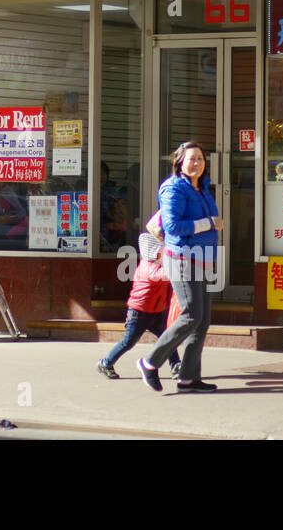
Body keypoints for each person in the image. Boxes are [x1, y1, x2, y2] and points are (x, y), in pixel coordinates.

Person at [137, 141, 223, 394]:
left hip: (203, 259)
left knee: (202, 320)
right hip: (182, 259)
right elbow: (173, 226)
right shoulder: (173, 188)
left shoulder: (202, 188)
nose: (196, 162)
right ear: (180, 162)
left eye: (200, 158)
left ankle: (188, 378)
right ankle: (150, 361)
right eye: (191, 158)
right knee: (191, 315)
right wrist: (208, 223)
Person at [96, 223, 181, 380]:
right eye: (163, 251)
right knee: (128, 342)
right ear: (156, 254)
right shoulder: (151, 269)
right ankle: (106, 362)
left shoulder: (153, 264)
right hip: (139, 313)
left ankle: (176, 365)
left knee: (168, 338)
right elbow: (168, 275)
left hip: (155, 312)